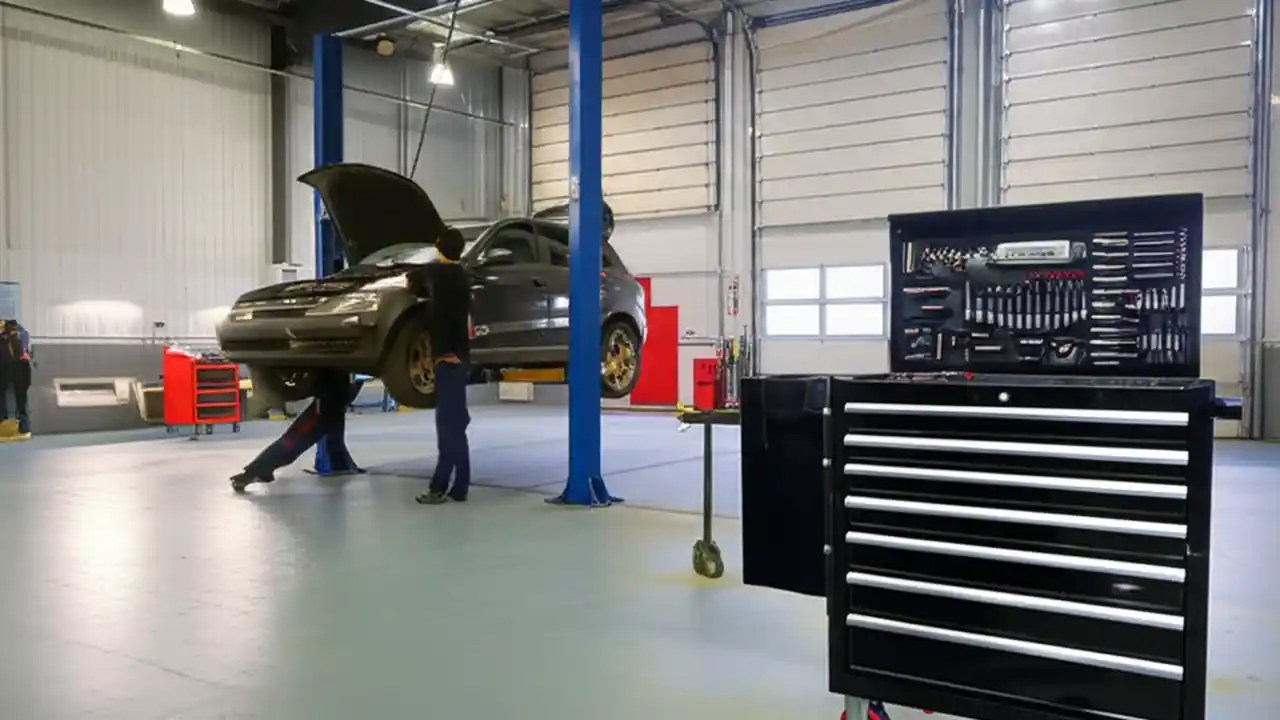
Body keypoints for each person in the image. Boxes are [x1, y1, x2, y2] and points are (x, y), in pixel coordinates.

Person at [412, 228, 472, 505]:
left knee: (448, 429)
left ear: (439, 248)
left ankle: (438, 488)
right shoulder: (462, 276)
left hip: (447, 362)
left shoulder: (438, 274)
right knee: (456, 426)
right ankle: (460, 487)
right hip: (460, 359)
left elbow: (412, 281)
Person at [230, 367, 361, 492]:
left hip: (329, 399)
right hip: (328, 401)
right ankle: (255, 470)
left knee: (295, 439)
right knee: (293, 441)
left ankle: (256, 470)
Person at [1, 319, 32, 440]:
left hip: (8, 370)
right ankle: (23, 426)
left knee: (5, 398)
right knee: (21, 401)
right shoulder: (22, 333)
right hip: (19, 371)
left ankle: (4, 424)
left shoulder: (8, 336)